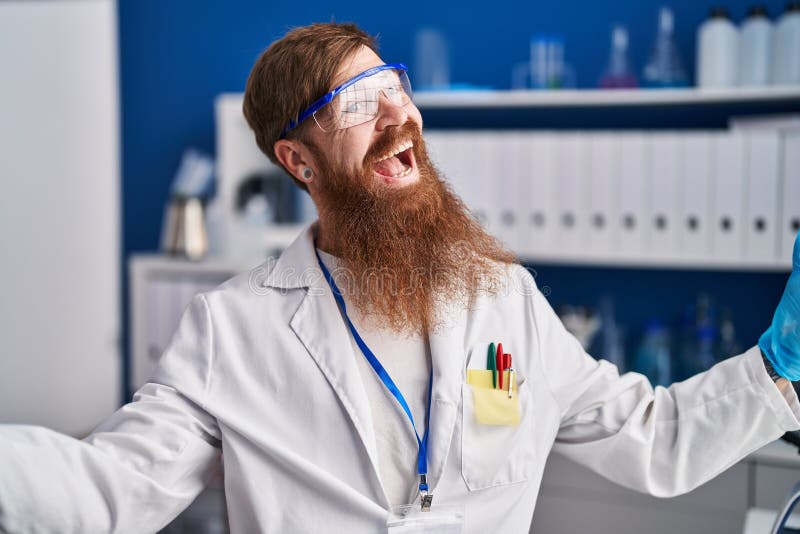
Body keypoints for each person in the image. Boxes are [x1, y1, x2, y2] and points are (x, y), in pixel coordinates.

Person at [2, 21, 800, 534]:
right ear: (297, 160)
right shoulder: (232, 329)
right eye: (358, 104)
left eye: (397, 89)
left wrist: (780, 368)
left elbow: (652, 442)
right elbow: (108, 487)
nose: (399, 116)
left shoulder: (502, 298)